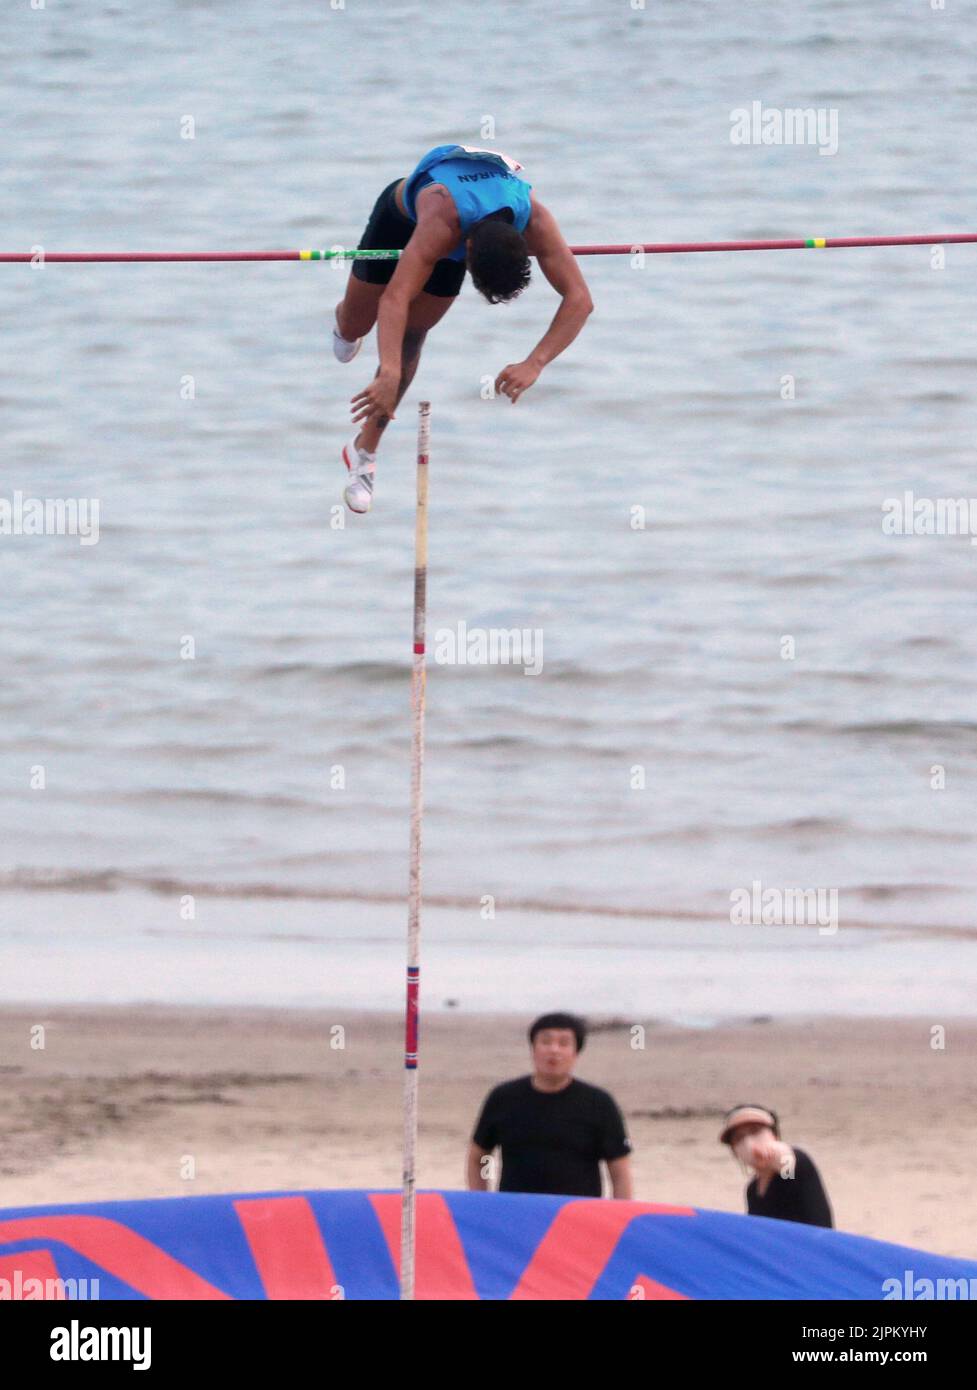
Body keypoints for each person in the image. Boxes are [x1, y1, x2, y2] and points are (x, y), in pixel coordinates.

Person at [332, 144, 594, 513]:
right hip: (403, 221)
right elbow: (395, 299)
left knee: (412, 336)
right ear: (466, 248)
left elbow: (580, 299)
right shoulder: (444, 222)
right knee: (356, 322)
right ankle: (345, 324)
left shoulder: (532, 216)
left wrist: (536, 362)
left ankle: (364, 451)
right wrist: (386, 370)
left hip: (458, 234)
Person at [467, 1012, 632, 1198]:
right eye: (546, 1042)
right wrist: (482, 1200)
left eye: (564, 1043)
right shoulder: (503, 1098)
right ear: (533, 1048)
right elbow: (479, 1157)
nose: (554, 1050)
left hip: (577, 1217)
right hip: (516, 1215)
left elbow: (619, 1172)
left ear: (575, 1053)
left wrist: (618, 1218)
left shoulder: (599, 1103)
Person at [719, 1104, 833, 1228]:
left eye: (755, 1130)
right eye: (739, 1138)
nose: (748, 1141)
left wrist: (774, 1151)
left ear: (774, 1135)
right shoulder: (752, 1190)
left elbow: (787, 1163)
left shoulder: (793, 1170)